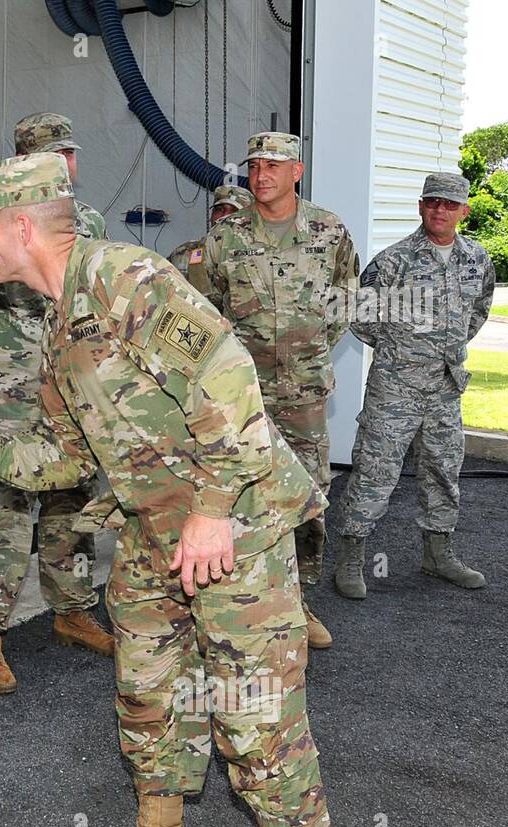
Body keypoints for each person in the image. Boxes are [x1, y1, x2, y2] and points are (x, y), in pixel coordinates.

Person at [0, 153, 330, 827]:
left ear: (21, 226)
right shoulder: (57, 323)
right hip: (151, 528)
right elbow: (65, 456)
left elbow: (230, 379)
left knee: (253, 702)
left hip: (234, 520)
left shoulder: (126, 280)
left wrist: (209, 510)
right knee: (147, 687)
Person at [0, 112, 115, 694]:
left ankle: (72, 608)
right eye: (51, 155)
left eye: (68, 152)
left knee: (73, 502)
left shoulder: (87, 222)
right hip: (8, 393)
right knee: (1, 515)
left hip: (70, 388)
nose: (65, 163)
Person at [202, 132, 359, 649]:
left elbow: (344, 299)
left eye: (273, 166)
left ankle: (298, 601)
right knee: (239, 492)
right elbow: (208, 313)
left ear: (297, 171)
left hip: (305, 392)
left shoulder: (329, 230)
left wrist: (308, 346)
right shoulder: (226, 238)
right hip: (240, 394)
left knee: (309, 497)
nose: (261, 175)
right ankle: (243, 598)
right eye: (255, 167)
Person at [335, 172, 494, 598]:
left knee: (443, 472)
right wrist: (401, 351)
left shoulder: (476, 260)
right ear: (421, 206)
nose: (440, 210)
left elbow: (478, 310)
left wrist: (447, 347)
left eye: (449, 204)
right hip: (395, 389)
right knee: (374, 471)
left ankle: (438, 554)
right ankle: (351, 560)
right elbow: (361, 316)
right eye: (432, 202)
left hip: (445, 388)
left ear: (464, 210)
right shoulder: (392, 262)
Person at [167, 184, 254, 292]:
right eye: (219, 210)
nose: (224, 216)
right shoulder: (184, 253)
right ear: (211, 217)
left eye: (234, 211)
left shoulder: (257, 256)